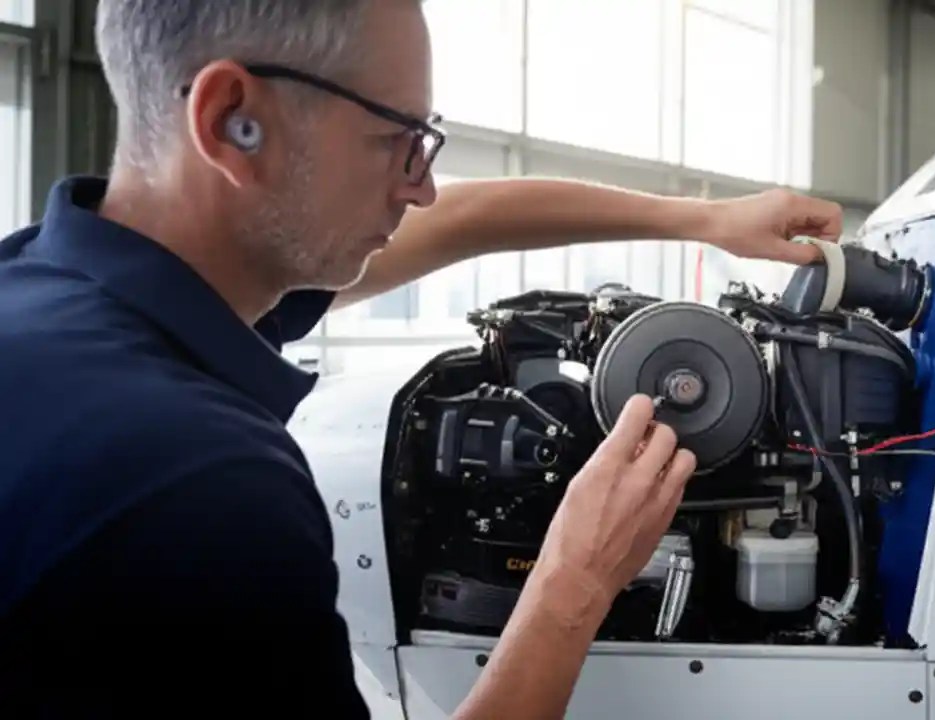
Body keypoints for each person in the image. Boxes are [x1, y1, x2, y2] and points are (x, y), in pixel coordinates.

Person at [0, 1, 844, 717]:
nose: (422, 187)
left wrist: (703, 221)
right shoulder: (198, 477)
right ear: (233, 120)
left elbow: (444, 225)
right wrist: (574, 585)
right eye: (401, 140)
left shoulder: (39, 290)